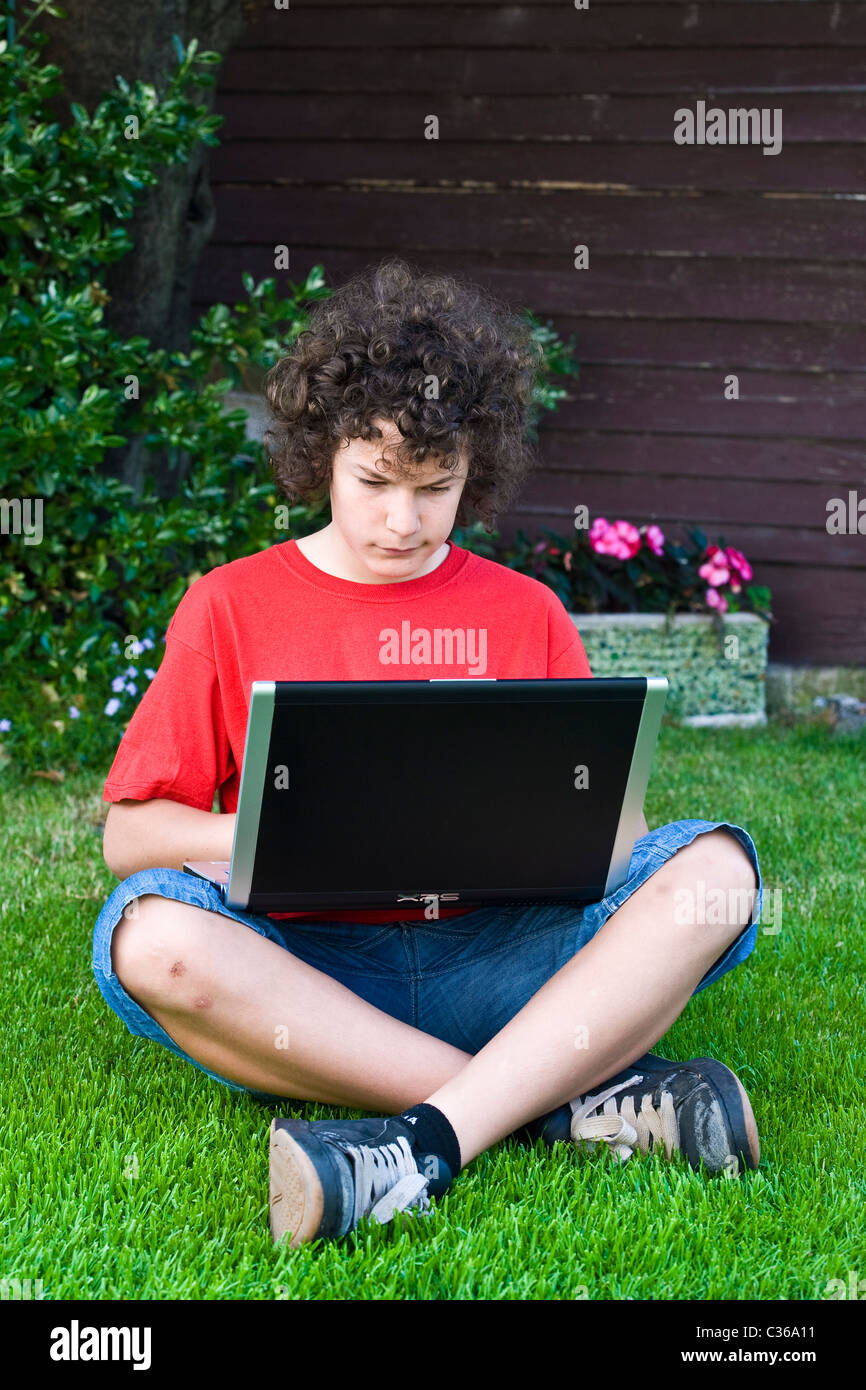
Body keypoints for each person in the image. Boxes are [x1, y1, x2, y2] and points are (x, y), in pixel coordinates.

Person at [94, 257, 764, 1249]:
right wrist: (264, 832)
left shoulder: (525, 611)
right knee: (148, 936)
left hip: (503, 956)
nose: (401, 521)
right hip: (308, 973)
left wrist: (566, 832)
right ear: (321, 454)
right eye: (373, 482)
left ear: (472, 472)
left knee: (717, 870)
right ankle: (550, 1102)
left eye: (433, 487)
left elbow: (616, 833)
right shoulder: (227, 604)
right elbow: (129, 835)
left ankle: (420, 1138)